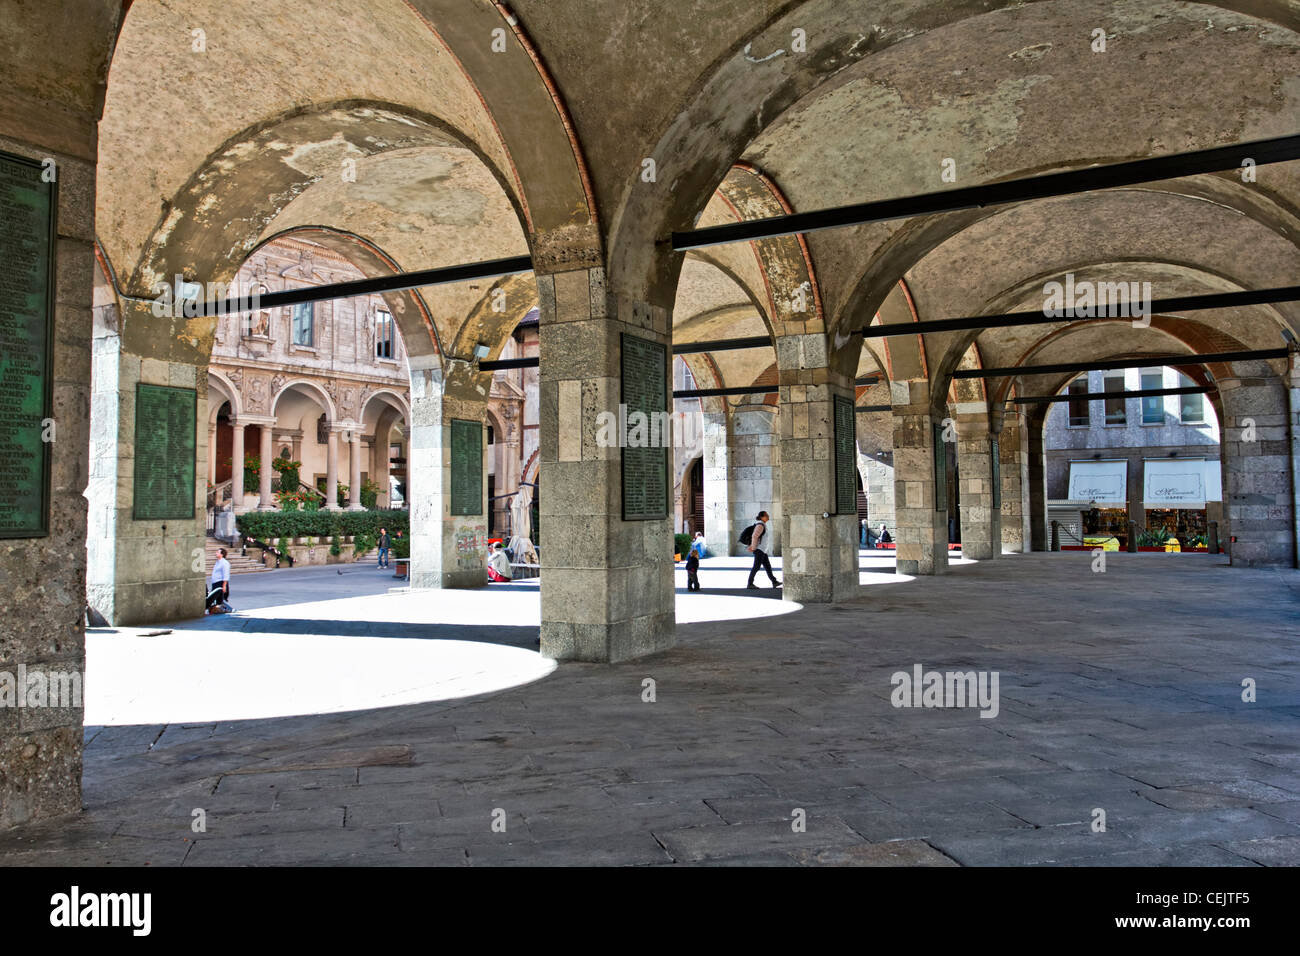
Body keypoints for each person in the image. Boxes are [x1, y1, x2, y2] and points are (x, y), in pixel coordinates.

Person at [745, 510, 781, 590]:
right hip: (759, 550)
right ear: (762, 517)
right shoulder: (760, 525)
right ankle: (750, 584)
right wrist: (753, 547)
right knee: (756, 567)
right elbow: (754, 536)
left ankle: (774, 582)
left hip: (762, 550)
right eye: (766, 515)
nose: (768, 516)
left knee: (768, 567)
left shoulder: (763, 525)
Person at [206, 547, 232, 613]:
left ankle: (227, 609)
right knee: (216, 597)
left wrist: (224, 585)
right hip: (215, 582)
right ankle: (219, 609)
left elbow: (226, 575)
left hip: (220, 582)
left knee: (219, 597)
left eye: (218, 552)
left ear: (222, 554)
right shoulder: (217, 562)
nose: (216, 553)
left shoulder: (224, 563)